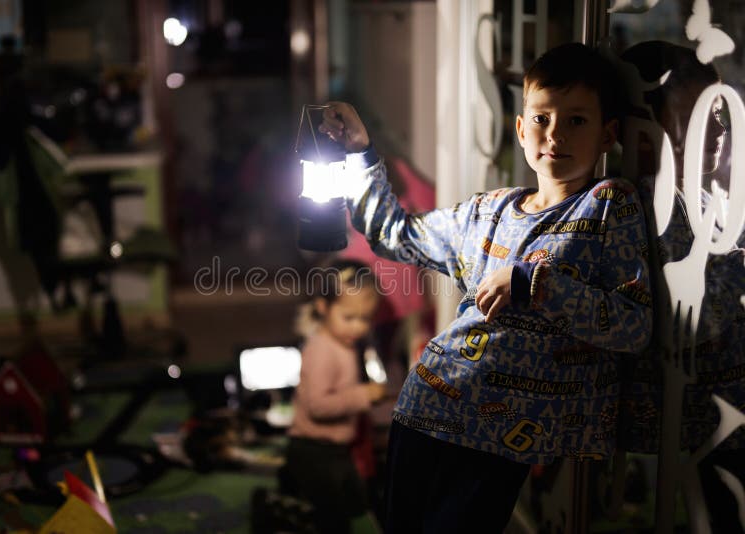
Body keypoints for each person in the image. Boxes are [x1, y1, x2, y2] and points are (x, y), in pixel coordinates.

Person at [318, 42, 653, 533]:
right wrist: (361, 152)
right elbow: (394, 234)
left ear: (608, 135)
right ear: (520, 129)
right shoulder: (486, 211)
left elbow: (632, 326)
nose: (554, 134)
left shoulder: (608, 206)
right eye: (541, 119)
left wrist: (532, 284)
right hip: (425, 410)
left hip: (504, 437)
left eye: (576, 121)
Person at [619, 40, 745, 533]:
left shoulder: (718, 196)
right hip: (685, 422)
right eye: (691, 124)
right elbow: (695, 321)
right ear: (643, 134)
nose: (714, 136)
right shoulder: (640, 211)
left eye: (717, 118)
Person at [280, 259, 386, 534]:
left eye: (365, 318)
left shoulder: (345, 343)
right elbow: (317, 406)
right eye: (349, 318)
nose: (358, 327)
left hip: (337, 449)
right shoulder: (321, 350)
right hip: (313, 449)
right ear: (323, 307)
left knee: (354, 503)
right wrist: (363, 394)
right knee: (332, 519)